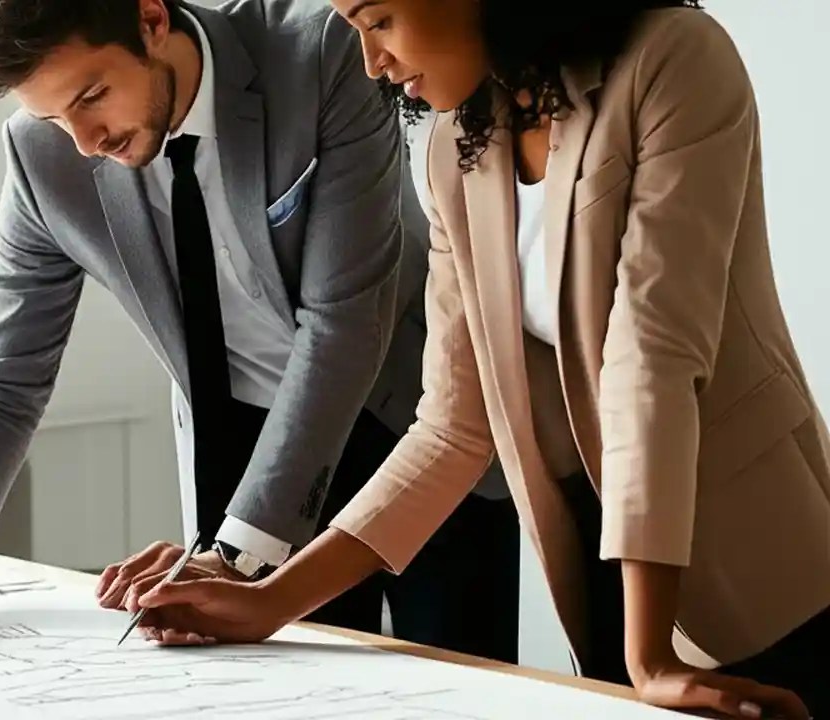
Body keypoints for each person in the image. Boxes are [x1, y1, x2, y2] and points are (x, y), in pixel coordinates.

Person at [136, 1, 830, 718]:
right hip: (604, 577)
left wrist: (649, 654)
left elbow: (650, 356)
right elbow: (451, 427)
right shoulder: (456, 147)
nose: (371, 62)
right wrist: (269, 601)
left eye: (379, 21)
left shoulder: (675, 59)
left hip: (756, 567)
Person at [0, 0, 519, 661]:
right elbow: (3, 376)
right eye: (54, 117)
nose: (86, 141)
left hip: (416, 435)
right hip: (241, 456)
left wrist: (239, 553)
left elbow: (342, 322)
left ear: (150, 19)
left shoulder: (319, 55)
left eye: (92, 96)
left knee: (458, 686)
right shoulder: (42, 154)